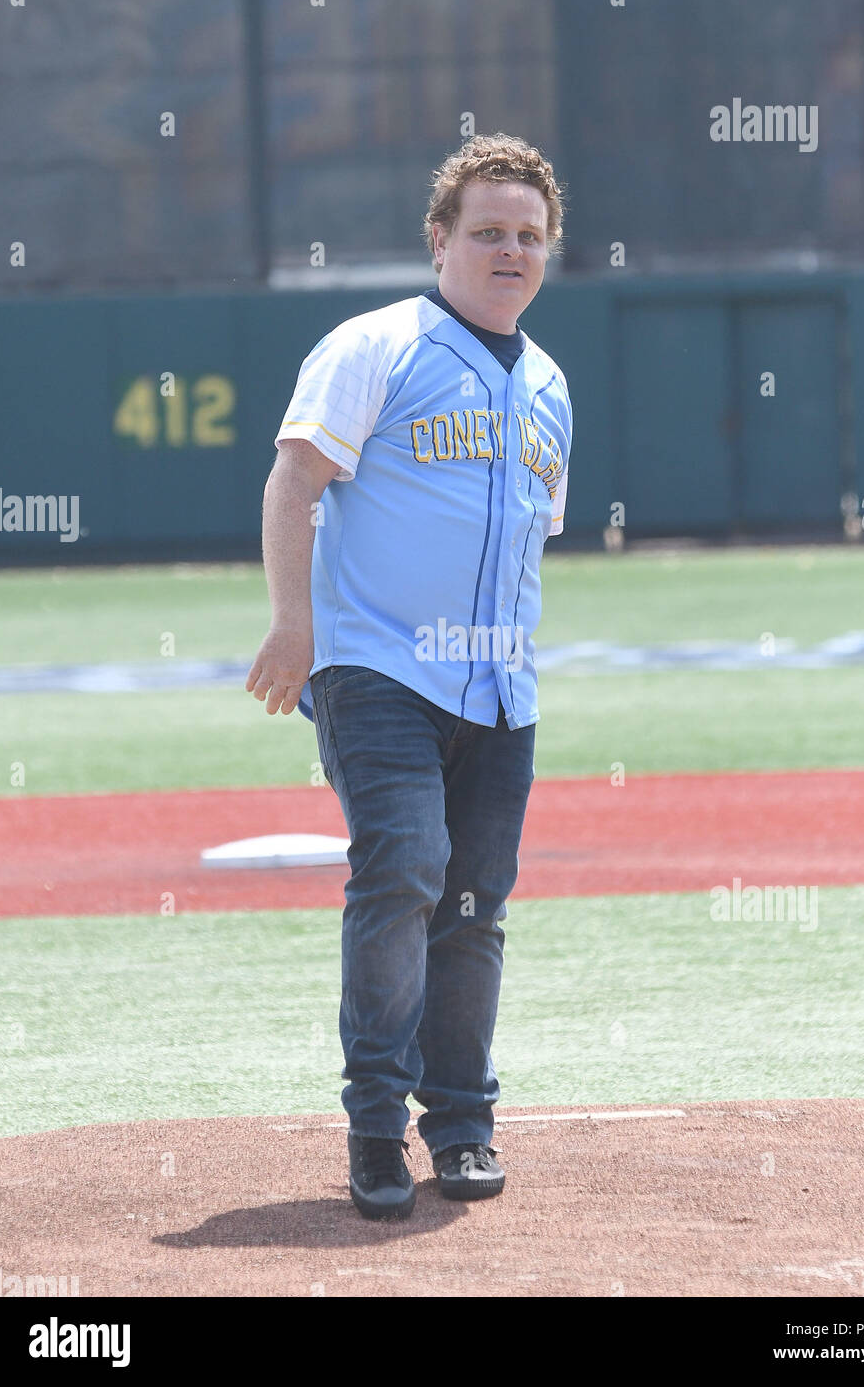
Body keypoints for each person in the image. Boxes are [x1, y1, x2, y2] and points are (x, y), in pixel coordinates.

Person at [246, 132, 572, 1219]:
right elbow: (295, 481)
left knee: (473, 906)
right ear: (440, 240)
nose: (508, 250)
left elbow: (530, 544)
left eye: (528, 235)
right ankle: (377, 1128)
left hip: (501, 692)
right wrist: (294, 625)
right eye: (486, 230)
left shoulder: (551, 389)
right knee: (406, 868)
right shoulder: (375, 346)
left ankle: (463, 1126)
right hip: (375, 667)